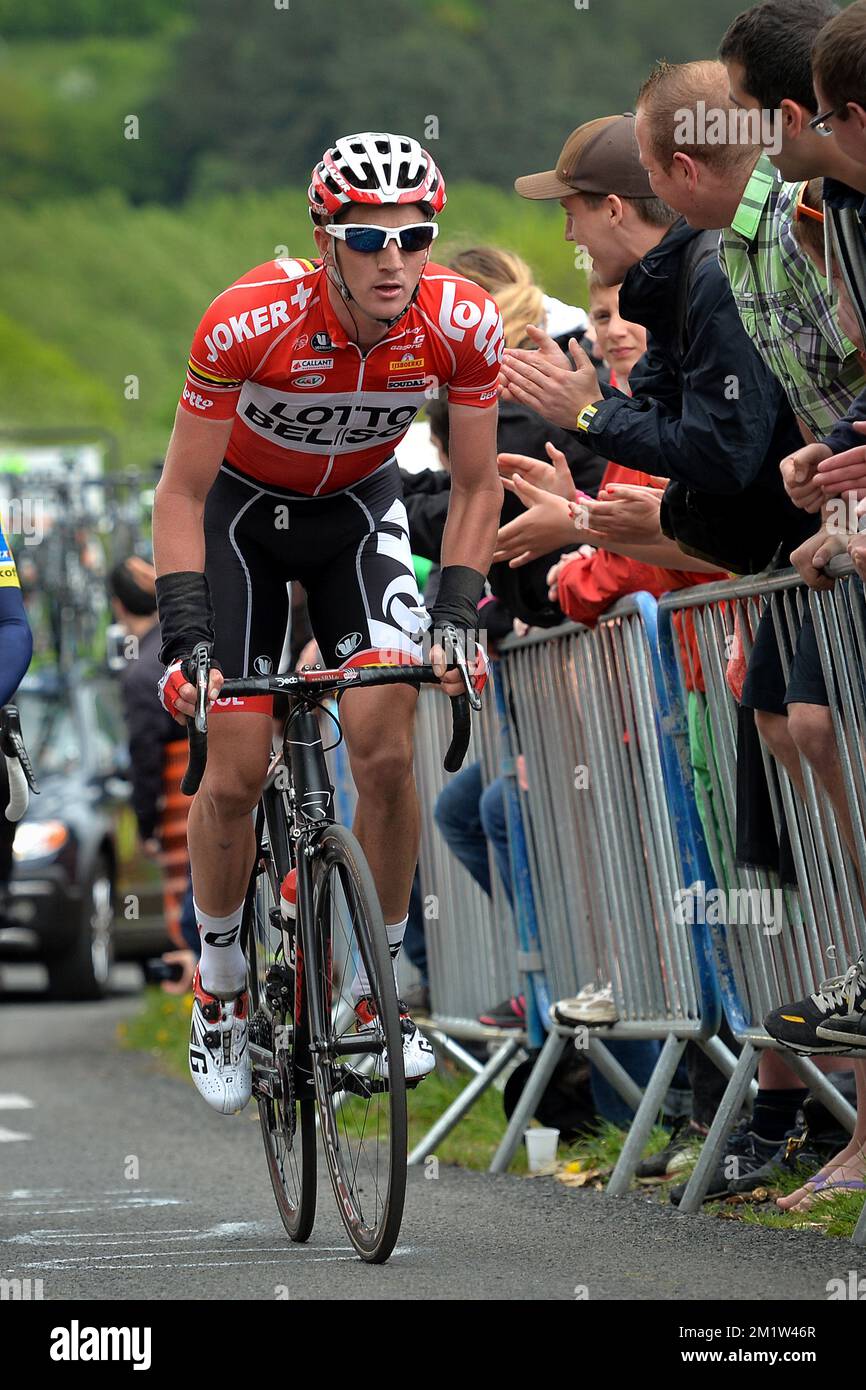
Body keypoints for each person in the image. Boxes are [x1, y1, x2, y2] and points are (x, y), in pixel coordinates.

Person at [153, 132, 505, 1113]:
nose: (393, 258)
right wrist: (187, 634)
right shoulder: (246, 321)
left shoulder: (462, 321)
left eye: (414, 234)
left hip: (359, 516)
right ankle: (219, 990)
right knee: (231, 761)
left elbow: (477, 484)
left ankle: (371, 990)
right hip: (239, 522)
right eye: (367, 237)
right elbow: (179, 491)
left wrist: (458, 610)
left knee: (384, 753)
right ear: (324, 239)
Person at [498, 114, 813, 579]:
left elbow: (723, 456)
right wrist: (589, 403)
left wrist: (590, 414)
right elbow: (681, 428)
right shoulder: (675, 280)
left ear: (612, 209)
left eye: (571, 215)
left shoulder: (709, 276)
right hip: (789, 560)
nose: (570, 236)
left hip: (807, 557)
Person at [108, 557, 198, 989]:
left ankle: (211, 1005)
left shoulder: (137, 671)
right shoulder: (184, 645)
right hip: (212, 771)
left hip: (178, 792)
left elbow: (145, 758)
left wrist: (145, 824)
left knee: (190, 902)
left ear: (119, 607)